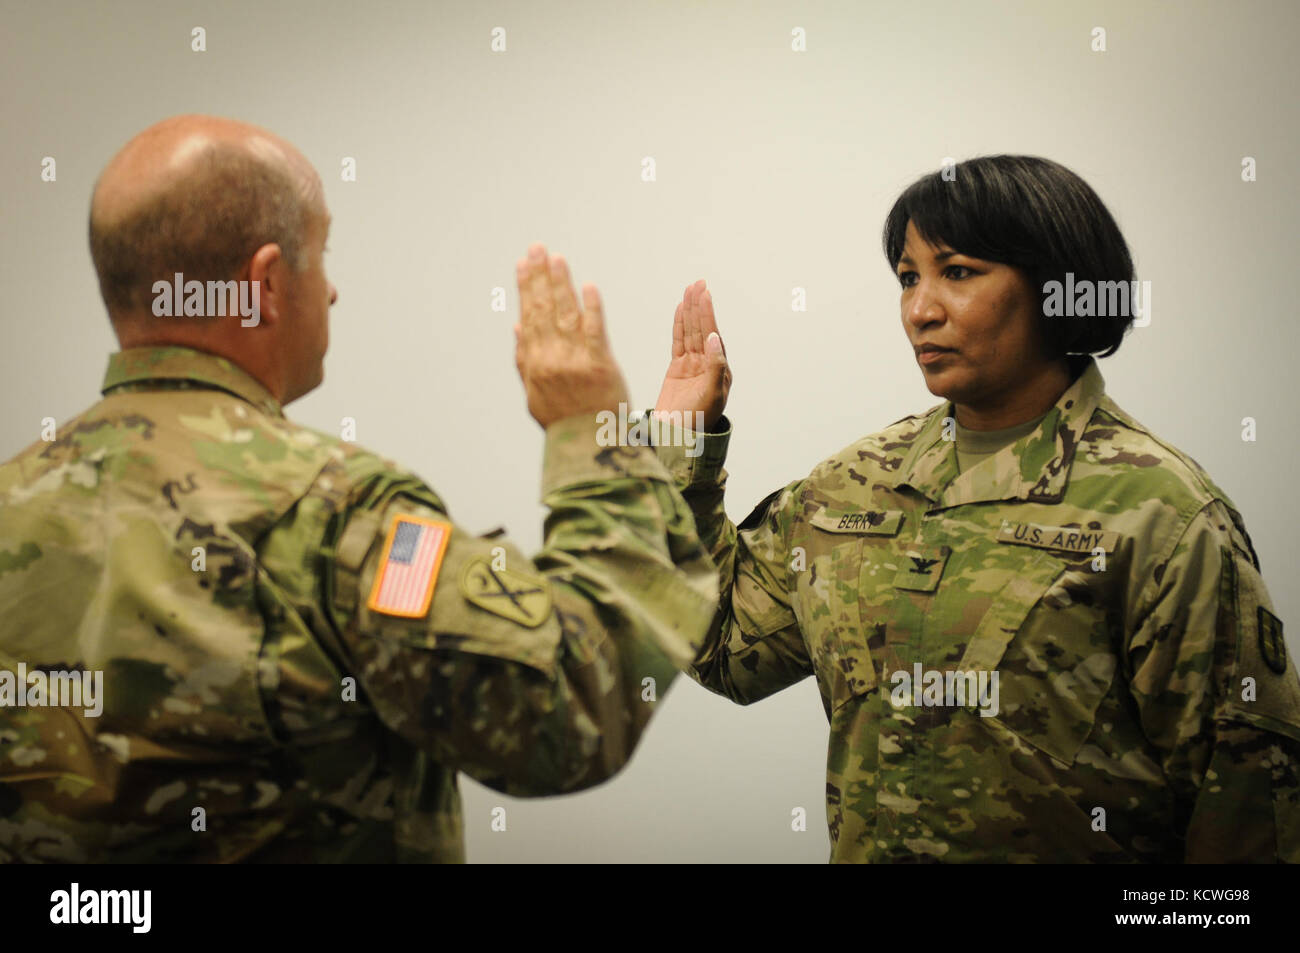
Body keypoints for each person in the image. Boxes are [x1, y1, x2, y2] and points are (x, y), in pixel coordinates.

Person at [0, 115, 717, 863]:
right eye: (323, 253)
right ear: (266, 284)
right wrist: (592, 429)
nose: (333, 290)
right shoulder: (336, 511)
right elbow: (571, 709)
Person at [651, 154, 1300, 862]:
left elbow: (1246, 826)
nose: (921, 309)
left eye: (957, 272)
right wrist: (680, 451)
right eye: (908, 277)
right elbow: (721, 650)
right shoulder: (849, 486)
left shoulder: (1160, 514)